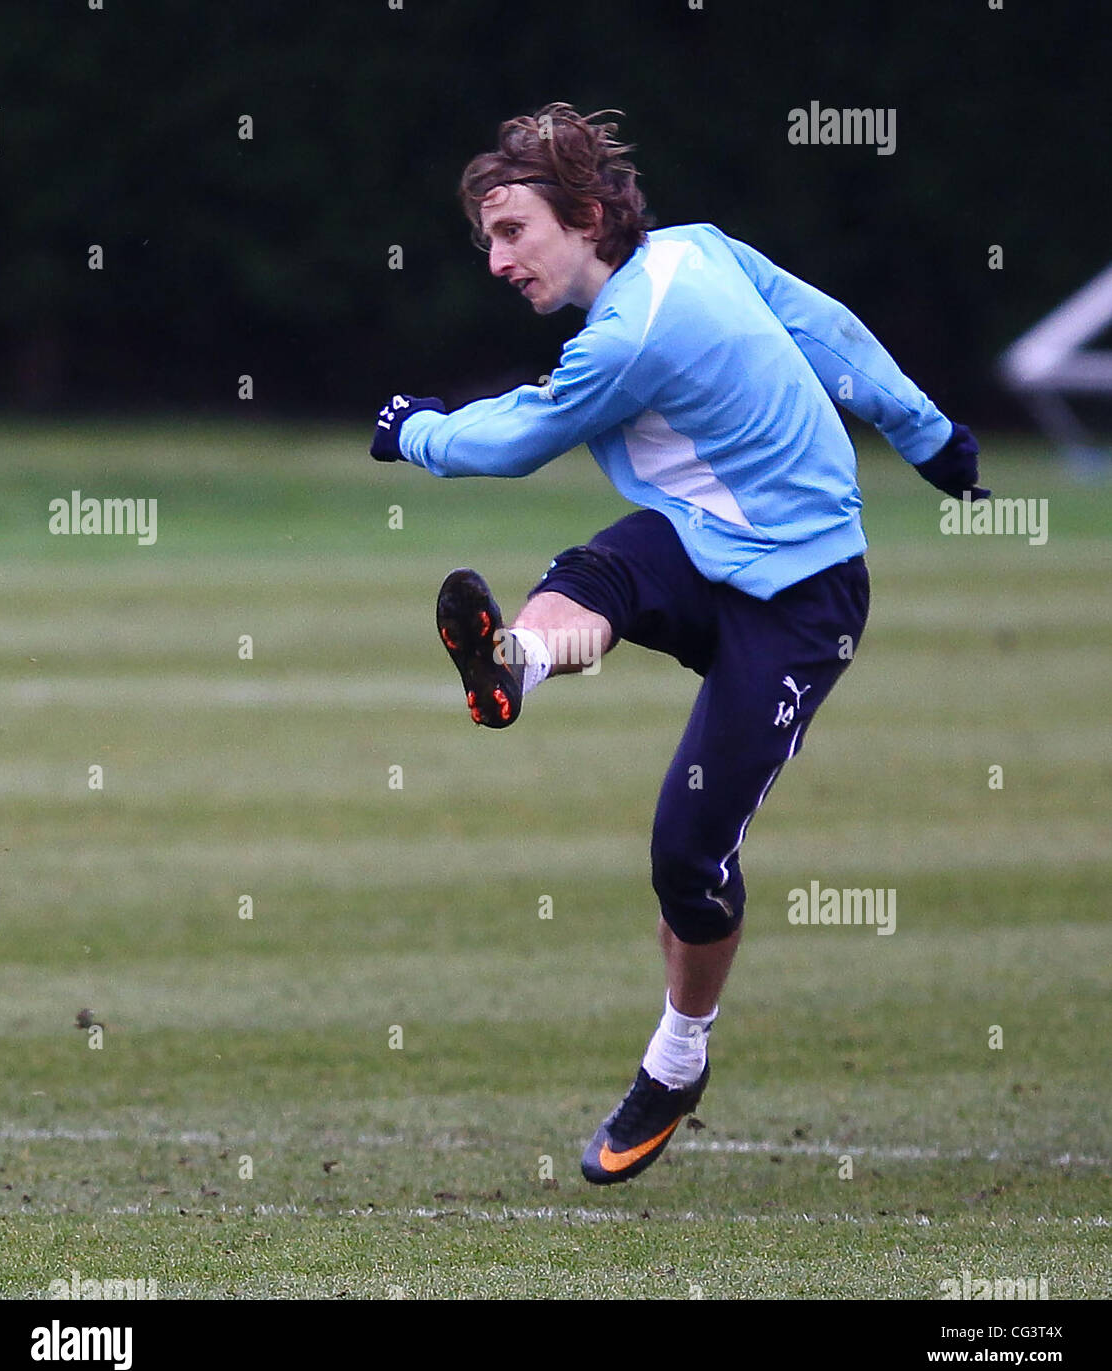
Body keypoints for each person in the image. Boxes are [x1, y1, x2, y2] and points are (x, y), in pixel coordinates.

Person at [370, 101, 987, 1185]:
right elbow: (828, 327)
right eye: (488, 240)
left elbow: (516, 439)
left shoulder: (632, 334)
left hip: (804, 601)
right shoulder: (699, 250)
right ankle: (511, 661)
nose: (498, 259)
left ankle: (677, 1058)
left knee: (686, 860)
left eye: (514, 232)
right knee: (600, 572)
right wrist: (928, 432)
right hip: (701, 543)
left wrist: (412, 428)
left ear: (591, 214)